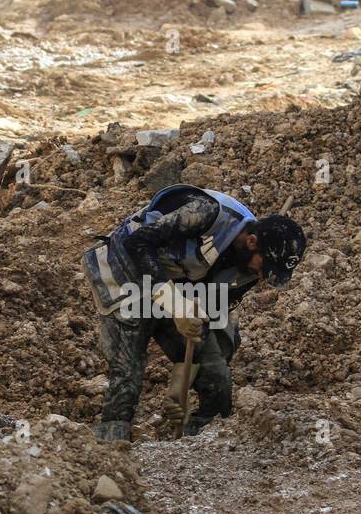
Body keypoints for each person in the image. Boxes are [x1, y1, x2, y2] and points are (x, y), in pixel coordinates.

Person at [82, 184, 306, 442]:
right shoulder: (207, 213)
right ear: (252, 241)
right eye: (264, 267)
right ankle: (111, 448)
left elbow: (211, 317)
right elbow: (138, 242)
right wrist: (175, 304)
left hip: (174, 287)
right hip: (123, 277)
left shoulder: (250, 269)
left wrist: (181, 383)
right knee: (128, 373)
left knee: (216, 376)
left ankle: (199, 444)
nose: (262, 277)